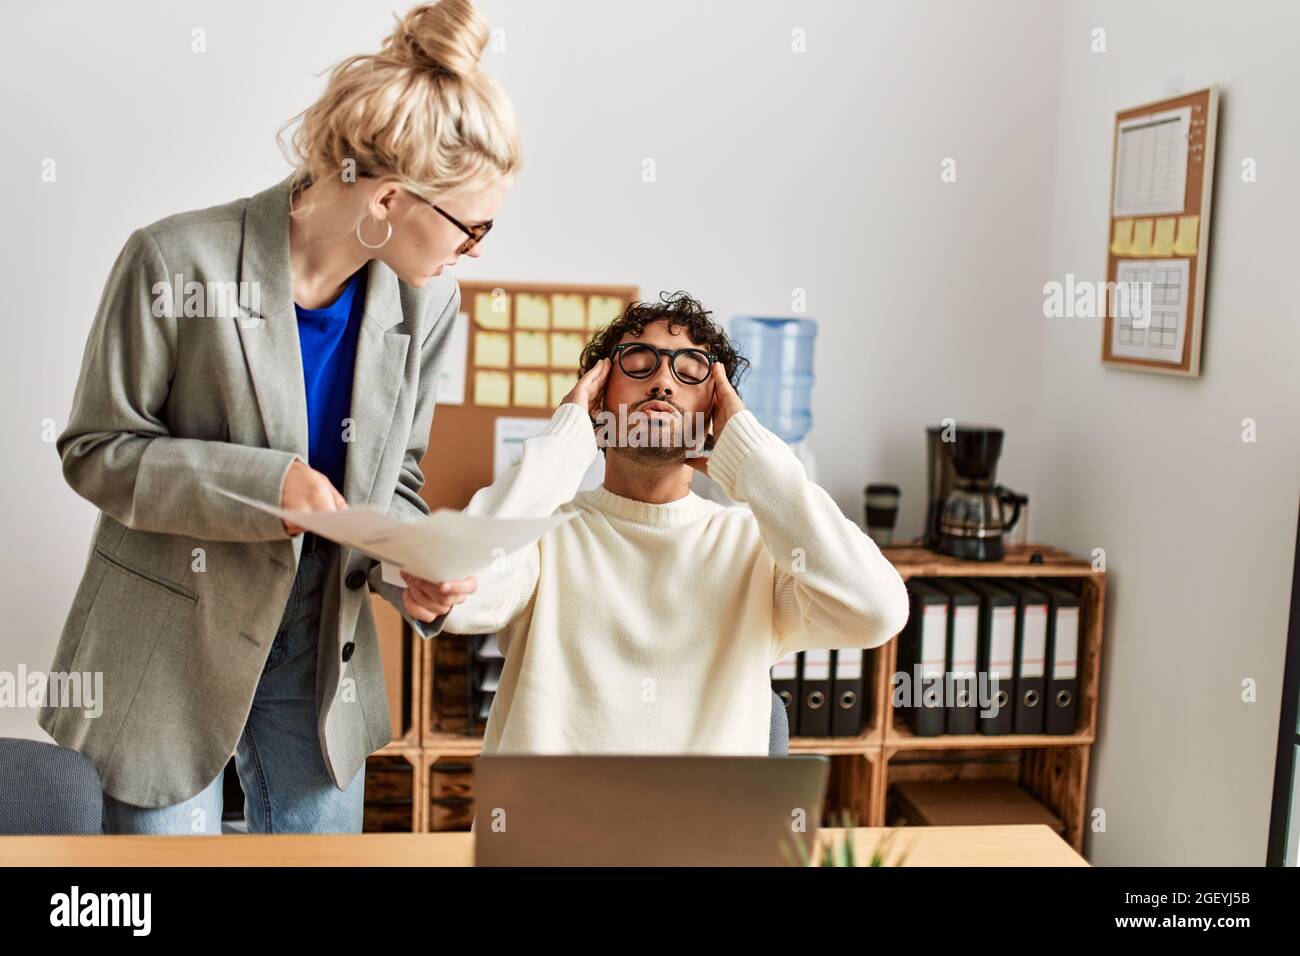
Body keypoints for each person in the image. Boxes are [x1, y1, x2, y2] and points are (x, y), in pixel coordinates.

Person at [38, 0, 513, 834]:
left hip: (324, 656)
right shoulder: (176, 258)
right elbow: (97, 450)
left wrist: (413, 569)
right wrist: (269, 488)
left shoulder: (427, 307)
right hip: (166, 650)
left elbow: (392, 477)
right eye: (473, 227)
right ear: (393, 199)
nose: (476, 249)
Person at [416, 291, 911, 754]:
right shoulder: (544, 535)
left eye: (691, 369)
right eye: (638, 362)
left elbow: (875, 612)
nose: (663, 382)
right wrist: (562, 447)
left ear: (716, 409)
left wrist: (755, 460)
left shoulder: (755, 547)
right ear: (597, 398)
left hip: (704, 841)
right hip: (547, 841)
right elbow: (455, 589)